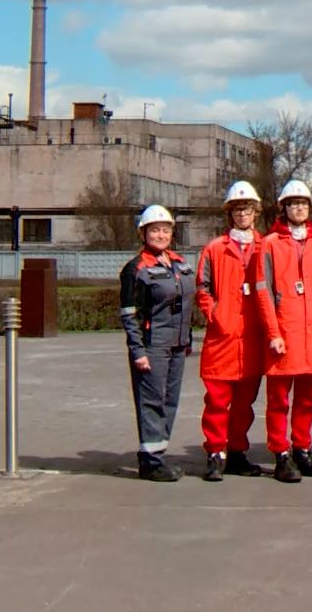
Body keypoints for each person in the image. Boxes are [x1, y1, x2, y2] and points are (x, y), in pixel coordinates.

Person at [262, 180, 312, 483]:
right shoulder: (270, 244)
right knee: (279, 399)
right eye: (293, 203)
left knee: (308, 398)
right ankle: (281, 453)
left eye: (304, 204)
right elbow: (263, 292)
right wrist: (273, 332)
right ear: (284, 207)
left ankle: (302, 450)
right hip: (285, 333)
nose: (299, 208)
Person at [194, 181, 271, 481]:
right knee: (216, 400)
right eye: (238, 209)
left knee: (244, 403)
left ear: (255, 212)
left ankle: (237, 450)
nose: (243, 214)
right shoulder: (215, 248)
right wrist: (213, 313)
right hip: (223, 337)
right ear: (230, 213)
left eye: (247, 209)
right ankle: (215, 451)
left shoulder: (265, 246)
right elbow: (202, 286)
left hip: (252, 337)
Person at [119, 204, 194, 481]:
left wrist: (186, 340)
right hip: (152, 346)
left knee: (169, 401)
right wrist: (138, 350)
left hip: (177, 344)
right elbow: (130, 315)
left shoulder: (179, 263)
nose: (161, 235)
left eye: (165, 230)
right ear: (143, 233)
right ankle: (151, 462)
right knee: (151, 402)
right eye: (155, 230)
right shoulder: (135, 269)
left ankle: (157, 454)